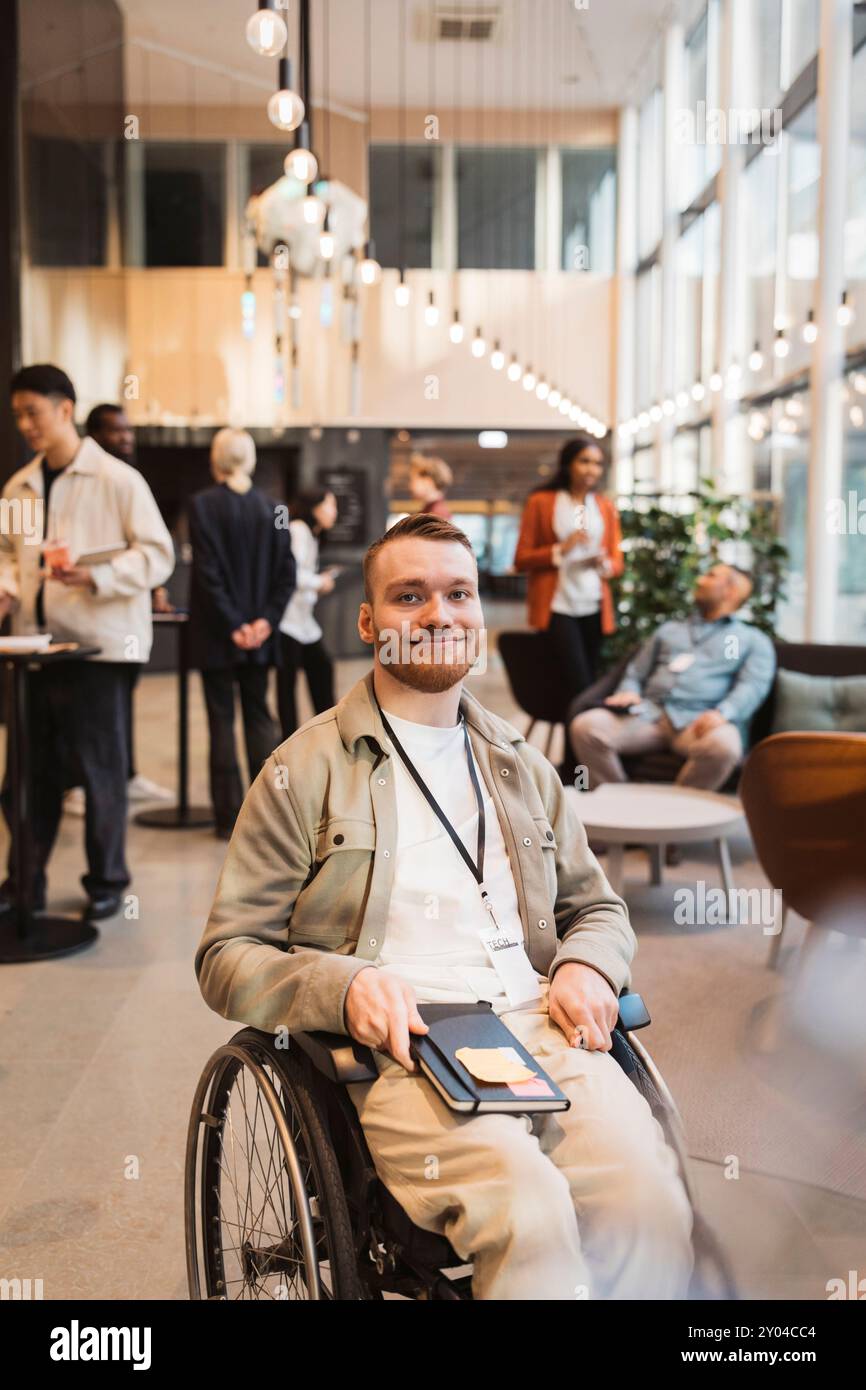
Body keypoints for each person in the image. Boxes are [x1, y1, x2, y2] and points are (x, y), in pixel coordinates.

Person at [196, 512, 693, 1300]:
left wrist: (587, 965)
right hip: (405, 1045)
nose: (438, 615)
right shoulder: (302, 770)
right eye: (409, 596)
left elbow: (595, 906)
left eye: (458, 594)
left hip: (542, 1022)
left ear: (478, 613)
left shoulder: (523, 765)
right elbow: (227, 956)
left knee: (651, 1201)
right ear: (368, 622)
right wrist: (345, 987)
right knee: (528, 1213)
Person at [0, 364, 175, 920]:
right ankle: (22, 882)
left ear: (65, 410)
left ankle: (107, 881)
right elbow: (10, 554)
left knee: (101, 771)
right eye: (19, 415)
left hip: (101, 648)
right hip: (35, 650)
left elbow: (156, 554)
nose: (26, 424)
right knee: (27, 777)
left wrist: (95, 577)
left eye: (34, 412)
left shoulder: (118, 480)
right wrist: (5, 587)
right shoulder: (20, 486)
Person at [570, 563, 777, 792]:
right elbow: (635, 672)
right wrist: (628, 691)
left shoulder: (752, 640)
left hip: (699, 722)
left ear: (730, 591)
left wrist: (723, 713)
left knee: (724, 747)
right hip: (648, 714)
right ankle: (622, 803)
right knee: (586, 726)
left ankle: (677, 810)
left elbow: (752, 686)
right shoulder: (669, 629)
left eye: (710, 575)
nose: (699, 580)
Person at [63, 403, 174, 812]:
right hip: (80, 623)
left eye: (128, 430)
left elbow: (153, 552)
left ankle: (126, 775)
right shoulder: (72, 482)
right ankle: (79, 784)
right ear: (93, 433)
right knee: (86, 712)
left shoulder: (126, 480)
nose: (127, 438)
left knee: (121, 702)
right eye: (117, 431)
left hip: (125, 623)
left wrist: (151, 586)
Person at [188, 428, 295, 840]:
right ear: (250, 461)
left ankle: (226, 817)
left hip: (219, 634)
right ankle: (265, 814)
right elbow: (287, 573)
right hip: (261, 637)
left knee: (221, 721)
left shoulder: (202, 505)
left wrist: (235, 624)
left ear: (216, 460)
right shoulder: (275, 508)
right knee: (259, 718)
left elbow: (208, 572)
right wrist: (264, 622)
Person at [514, 435, 623, 695]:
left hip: (594, 603)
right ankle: (582, 733)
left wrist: (603, 562)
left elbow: (618, 562)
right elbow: (521, 559)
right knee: (578, 684)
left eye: (597, 463)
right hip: (558, 606)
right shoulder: (541, 502)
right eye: (584, 461)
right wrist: (561, 549)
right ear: (567, 464)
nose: (591, 469)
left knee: (588, 680)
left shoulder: (604, 506)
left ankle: (580, 734)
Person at [276, 486, 339, 738]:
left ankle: (326, 731)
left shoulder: (311, 534)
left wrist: (317, 584)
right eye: (330, 505)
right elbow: (291, 575)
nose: (335, 511)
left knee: (320, 668)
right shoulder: (299, 530)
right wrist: (319, 582)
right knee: (288, 684)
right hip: (287, 622)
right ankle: (289, 739)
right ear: (315, 507)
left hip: (302, 622)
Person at [409, 452, 453, 520]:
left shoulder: (436, 515)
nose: (411, 486)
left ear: (428, 481)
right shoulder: (431, 511)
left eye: (413, 480)